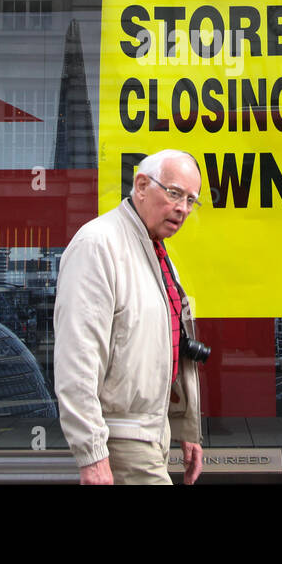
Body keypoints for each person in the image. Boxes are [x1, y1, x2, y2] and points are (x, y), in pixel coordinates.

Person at [54, 148, 205, 485]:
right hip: (121, 441)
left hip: (152, 435)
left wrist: (184, 427)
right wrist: (92, 455)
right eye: (174, 193)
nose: (182, 208)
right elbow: (77, 358)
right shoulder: (98, 245)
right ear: (140, 185)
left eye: (191, 200)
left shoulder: (157, 252)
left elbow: (168, 348)